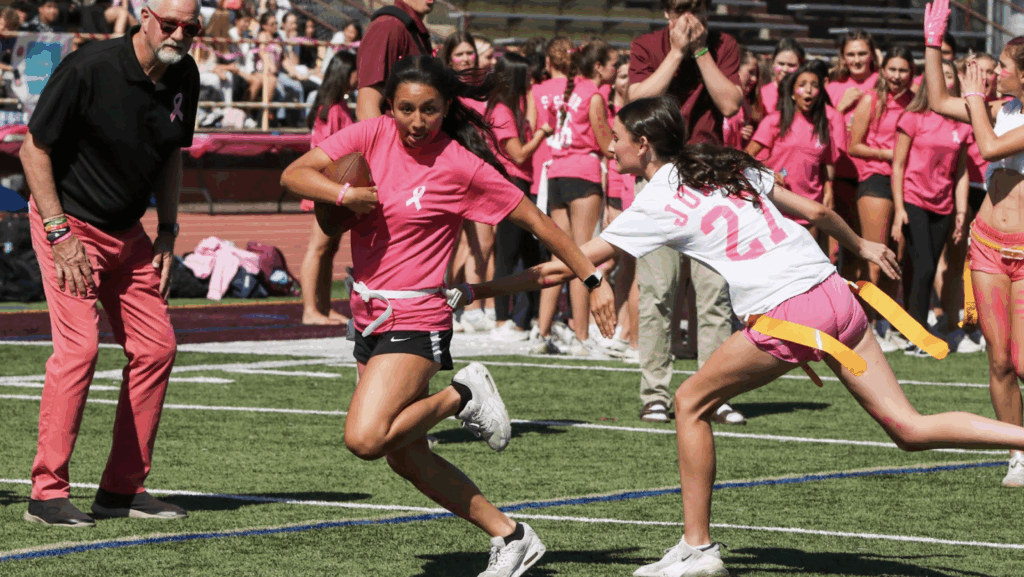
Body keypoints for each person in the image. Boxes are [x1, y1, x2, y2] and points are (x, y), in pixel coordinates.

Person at [453, 94, 1024, 577]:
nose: (611, 147)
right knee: (911, 428)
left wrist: (478, 292)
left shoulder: (655, 200)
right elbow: (819, 212)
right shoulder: (722, 162)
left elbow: (563, 266)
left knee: (689, 402)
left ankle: (697, 548)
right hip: (837, 293)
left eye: (619, 139)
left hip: (790, 309)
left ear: (645, 146)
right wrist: (862, 246)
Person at [279, 55, 615, 577]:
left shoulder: (460, 164)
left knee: (366, 439)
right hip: (368, 316)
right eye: (407, 108)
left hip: (418, 318)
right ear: (390, 105)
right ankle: (512, 536)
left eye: (429, 110)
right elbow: (294, 174)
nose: (417, 121)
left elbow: (540, 225)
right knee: (406, 457)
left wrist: (593, 280)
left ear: (446, 109)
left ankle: (464, 394)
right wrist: (346, 194)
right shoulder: (370, 134)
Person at [18, 0, 201, 527]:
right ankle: (46, 493)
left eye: (191, 27)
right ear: (144, 16)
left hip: (130, 234)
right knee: (78, 351)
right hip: (69, 224)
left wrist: (167, 231)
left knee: (157, 348)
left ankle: (121, 491)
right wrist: (59, 235)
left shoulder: (185, 72)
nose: (180, 34)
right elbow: (33, 151)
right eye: (170, 23)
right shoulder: (88, 68)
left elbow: (172, 154)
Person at [627, 0, 743, 424]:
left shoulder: (722, 44)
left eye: (697, 8)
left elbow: (729, 103)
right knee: (658, 291)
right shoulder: (647, 45)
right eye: (680, 8)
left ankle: (712, 392)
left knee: (714, 294)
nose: (690, 17)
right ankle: (655, 393)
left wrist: (698, 52)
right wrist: (675, 52)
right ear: (666, 13)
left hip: (710, 177)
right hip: (659, 177)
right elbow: (635, 102)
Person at [923, 0, 1024, 486]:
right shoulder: (1002, 109)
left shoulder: (1006, 118)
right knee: (1000, 360)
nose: (993, 72)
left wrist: (974, 100)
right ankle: (1017, 450)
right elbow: (939, 100)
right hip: (988, 243)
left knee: (1023, 360)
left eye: (1001, 66)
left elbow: (987, 148)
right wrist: (932, 42)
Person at [535, 40, 617, 355]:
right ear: (598, 66)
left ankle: (542, 333)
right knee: (583, 258)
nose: (615, 69)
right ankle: (581, 336)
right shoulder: (593, 95)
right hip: (582, 174)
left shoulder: (572, 89)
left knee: (561, 257)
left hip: (556, 173)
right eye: (611, 63)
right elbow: (605, 143)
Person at [890, 63, 970, 357]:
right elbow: (898, 166)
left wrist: (961, 212)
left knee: (930, 267)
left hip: (944, 205)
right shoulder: (913, 117)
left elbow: (960, 172)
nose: (945, 80)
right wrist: (899, 209)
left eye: (950, 76)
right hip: (914, 199)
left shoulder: (962, 123)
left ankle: (917, 329)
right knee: (923, 268)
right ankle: (916, 334)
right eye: (941, 75)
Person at [479, 52, 554, 342]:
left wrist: (532, 95)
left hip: (519, 183)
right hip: (510, 184)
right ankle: (501, 319)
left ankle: (524, 319)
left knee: (528, 252)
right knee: (508, 253)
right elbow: (519, 153)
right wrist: (543, 134)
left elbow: (530, 124)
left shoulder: (512, 106)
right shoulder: (501, 111)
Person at [848, 45, 914, 351]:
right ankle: (868, 326)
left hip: (910, 182)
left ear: (912, 73)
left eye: (903, 70)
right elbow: (854, 146)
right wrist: (889, 154)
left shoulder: (916, 104)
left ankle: (886, 323)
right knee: (875, 259)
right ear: (883, 71)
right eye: (892, 69)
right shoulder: (870, 100)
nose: (897, 76)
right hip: (877, 180)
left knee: (897, 258)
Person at [746, 61, 839, 240]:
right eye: (802, 85)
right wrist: (766, 173)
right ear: (792, 94)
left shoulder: (825, 127)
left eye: (814, 85)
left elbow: (826, 165)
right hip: (776, 204)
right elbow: (746, 155)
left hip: (809, 208)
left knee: (806, 263)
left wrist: (828, 191)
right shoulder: (775, 121)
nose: (809, 90)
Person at [298, 50, 357, 325]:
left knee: (330, 249)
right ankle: (310, 310)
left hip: (338, 189)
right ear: (345, 73)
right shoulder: (330, 109)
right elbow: (324, 153)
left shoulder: (339, 106)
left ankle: (323, 306)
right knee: (318, 247)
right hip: (327, 188)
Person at [827, 29, 879, 281]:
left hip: (876, 178)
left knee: (872, 250)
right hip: (842, 176)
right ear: (842, 57)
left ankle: (875, 314)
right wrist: (840, 107)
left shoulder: (883, 82)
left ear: (872, 55)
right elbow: (818, 128)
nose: (857, 60)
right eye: (851, 54)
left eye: (862, 53)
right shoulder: (834, 87)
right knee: (844, 251)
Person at [355, 0, 432, 121]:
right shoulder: (388, 25)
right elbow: (366, 109)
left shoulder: (413, 30)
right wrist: (385, 140)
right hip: (391, 137)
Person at [722, 46, 762, 151]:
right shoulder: (717, 99)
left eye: (756, 74)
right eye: (751, 72)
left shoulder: (747, 105)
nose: (755, 79)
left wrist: (745, 136)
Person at [759, 37, 804, 113]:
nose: (785, 69)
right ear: (773, 63)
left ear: (801, 66)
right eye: (781, 64)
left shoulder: (805, 94)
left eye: (791, 65)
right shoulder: (761, 95)